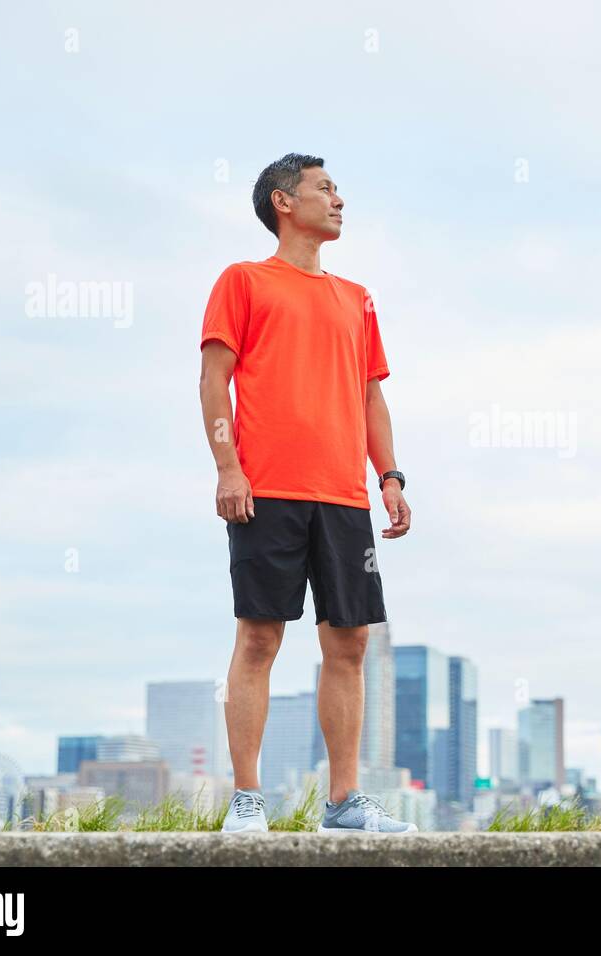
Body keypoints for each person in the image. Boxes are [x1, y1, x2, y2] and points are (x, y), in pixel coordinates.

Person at [198, 153, 416, 834]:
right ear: (283, 201)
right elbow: (213, 381)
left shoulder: (357, 298)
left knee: (349, 644)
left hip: (344, 496)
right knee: (260, 637)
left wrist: (389, 476)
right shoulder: (243, 281)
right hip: (268, 491)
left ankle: (345, 802)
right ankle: (248, 801)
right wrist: (228, 467)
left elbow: (371, 394)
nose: (340, 200)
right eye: (326, 188)